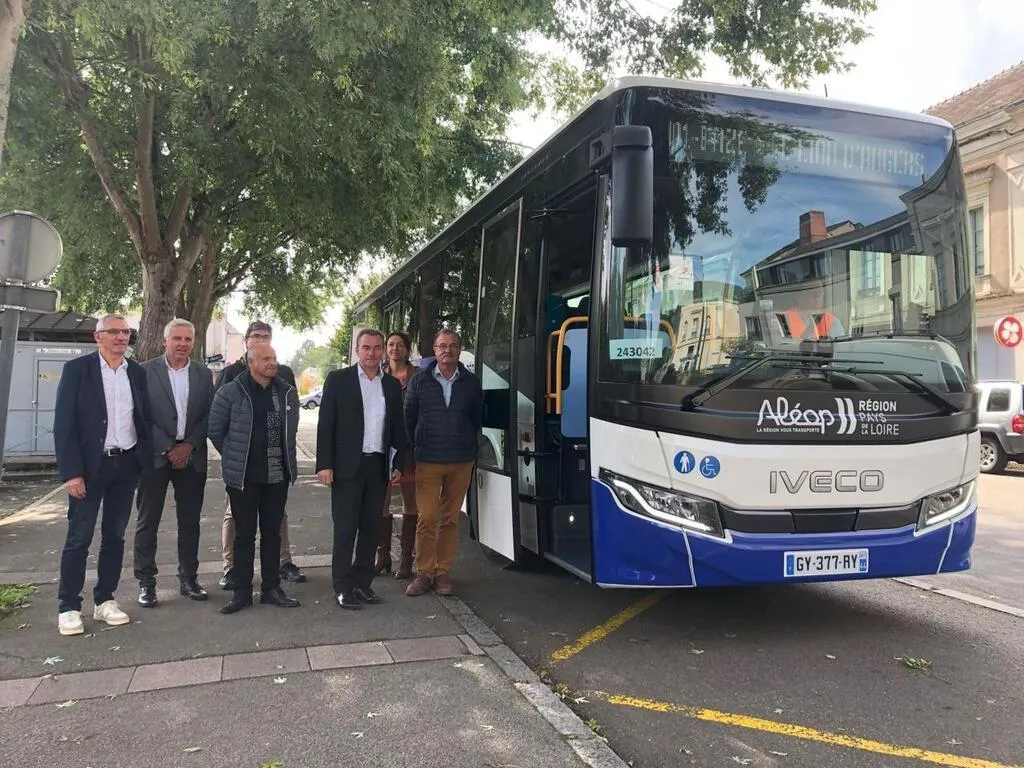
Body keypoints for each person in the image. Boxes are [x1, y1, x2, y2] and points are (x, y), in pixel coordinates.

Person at [53, 314, 151, 636]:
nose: (121, 337)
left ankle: (105, 599)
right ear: (98, 337)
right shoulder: (78, 371)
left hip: (126, 465)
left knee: (115, 536)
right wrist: (71, 473)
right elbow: (64, 425)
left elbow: (144, 419)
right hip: (88, 469)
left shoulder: (135, 372)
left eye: (125, 332)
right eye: (114, 332)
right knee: (79, 538)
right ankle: (68, 606)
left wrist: (142, 461)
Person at [316, 329, 406, 610]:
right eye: (366, 347)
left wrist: (398, 463)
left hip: (377, 465)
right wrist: (324, 464)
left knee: (371, 528)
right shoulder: (339, 380)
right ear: (357, 351)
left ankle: (362, 583)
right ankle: (342, 586)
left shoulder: (390, 385)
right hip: (345, 467)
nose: (372, 353)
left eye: (377, 348)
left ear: (383, 352)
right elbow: (326, 424)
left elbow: (398, 429)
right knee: (345, 529)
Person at [208, 342, 301, 614]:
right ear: (251, 362)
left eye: (274, 357)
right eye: (266, 359)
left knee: (272, 534)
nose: (273, 363)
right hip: (243, 479)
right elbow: (215, 431)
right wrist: (235, 458)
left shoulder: (286, 393)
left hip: (277, 476)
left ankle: (271, 588)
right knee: (244, 535)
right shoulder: (230, 392)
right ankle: (241, 592)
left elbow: (290, 434)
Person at [132, 319, 214, 607]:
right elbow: (139, 416)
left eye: (188, 339)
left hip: (192, 457)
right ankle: (146, 583)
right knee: (147, 521)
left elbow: (209, 414)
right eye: (177, 338)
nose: (182, 344)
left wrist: (188, 445)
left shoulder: (204, 375)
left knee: (190, 522)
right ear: (164, 340)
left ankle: (189, 579)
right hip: (155, 457)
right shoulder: (144, 372)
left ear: (194, 342)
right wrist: (169, 447)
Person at [403, 329, 482, 597]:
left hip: (461, 461)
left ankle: (442, 573)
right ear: (434, 350)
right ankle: (423, 573)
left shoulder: (471, 383)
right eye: (442, 346)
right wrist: (413, 450)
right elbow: (408, 418)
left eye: (453, 346)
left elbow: (477, 419)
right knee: (426, 518)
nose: (447, 350)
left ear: (459, 349)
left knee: (450, 519)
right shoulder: (420, 381)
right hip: (428, 459)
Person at [376, 331, 422, 579]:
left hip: (409, 448)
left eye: (400, 345)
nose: (395, 349)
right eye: (391, 345)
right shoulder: (377, 375)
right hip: (382, 446)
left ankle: (406, 559)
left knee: (410, 503)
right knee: (380, 503)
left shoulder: (418, 376)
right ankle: (382, 556)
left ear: (407, 349)